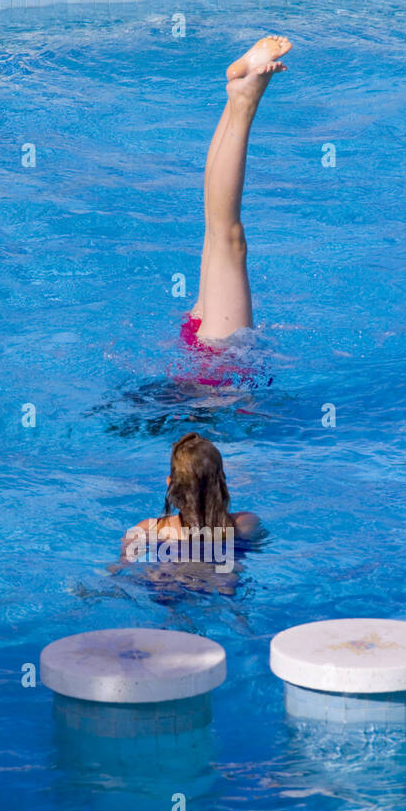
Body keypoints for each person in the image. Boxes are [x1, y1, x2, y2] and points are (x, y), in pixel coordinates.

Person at [181, 35, 292, 353]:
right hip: (196, 342)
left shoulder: (218, 387)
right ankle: (234, 104)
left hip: (219, 364)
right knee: (215, 233)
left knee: (228, 239)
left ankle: (243, 102)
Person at [121, 432, 260, 588]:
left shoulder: (149, 529)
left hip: (165, 585)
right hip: (219, 587)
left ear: (170, 483)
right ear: (221, 481)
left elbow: (121, 567)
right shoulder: (245, 524)